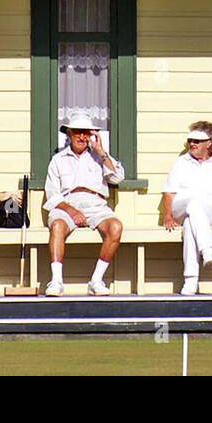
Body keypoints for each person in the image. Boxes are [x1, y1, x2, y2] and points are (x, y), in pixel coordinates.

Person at [43, 110, 124, 296]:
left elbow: (118, 177)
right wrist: (72, 211)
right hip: (67, 203)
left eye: (86, 132)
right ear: (69, 134)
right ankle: (56, 281)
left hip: (96, 204)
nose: (81, 136)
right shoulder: (58, 160)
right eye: (77, 131)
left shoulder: (99, 157)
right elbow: (52, 195)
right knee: (57, 226)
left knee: (116, 227)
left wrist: (102, 151)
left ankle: (96, 280)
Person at [162, 121, 212, 295]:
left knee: (192, 223)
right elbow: (169, 193)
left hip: (208, 213)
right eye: (190, 140)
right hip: (182, 208)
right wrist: (168, 216)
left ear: (209, 143)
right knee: (193, 204)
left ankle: (190, 281)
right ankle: (207, 251)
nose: (192, 144)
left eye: (197, 141)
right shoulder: (181, 162)